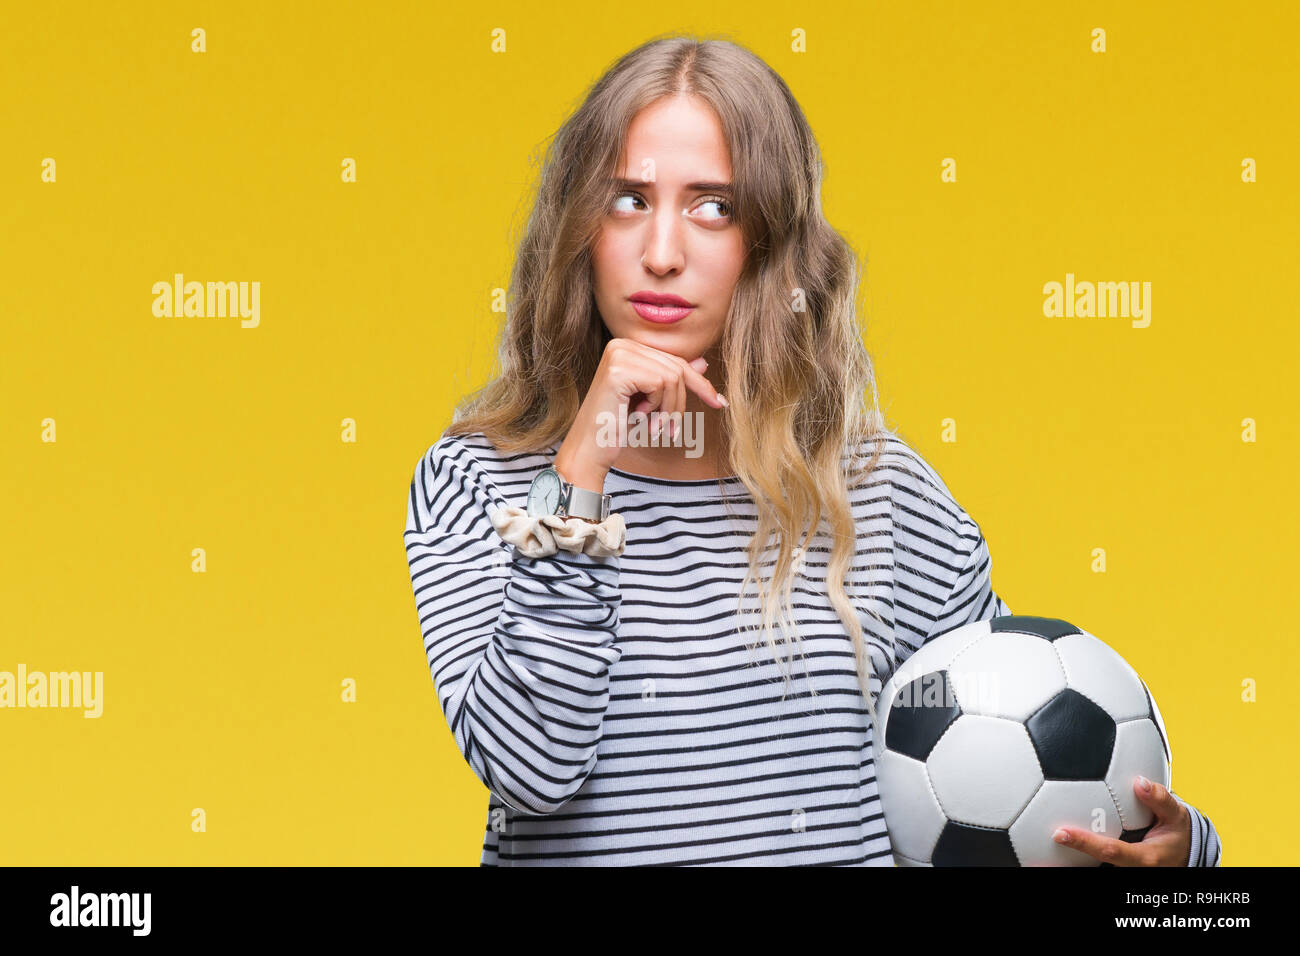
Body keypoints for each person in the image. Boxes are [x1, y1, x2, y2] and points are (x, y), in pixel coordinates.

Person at [403, 34, 1222, 866]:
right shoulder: (477, 480)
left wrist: (1179, 858)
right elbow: (530, 768)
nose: (661, 252)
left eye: (713, 206)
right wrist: (580, 474)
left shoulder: (875, 490)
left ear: (771, 245)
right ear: (578, 227)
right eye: (627, 199)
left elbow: (1020, 754)